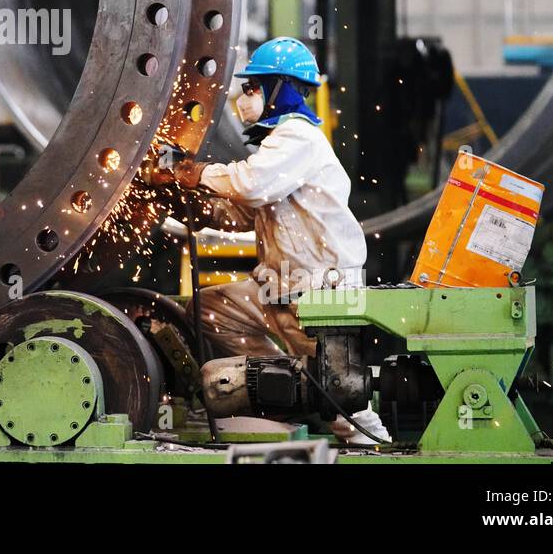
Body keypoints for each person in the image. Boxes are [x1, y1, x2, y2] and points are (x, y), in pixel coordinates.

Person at [160, 36, 388, 443]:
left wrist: (194, 173)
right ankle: (282, 391)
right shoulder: (278, 146)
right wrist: (185, 204)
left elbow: (250, 185)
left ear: (279, 89)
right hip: (277, 287)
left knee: (343, 403)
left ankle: (371, 446)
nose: (244, 98)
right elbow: (243, 213)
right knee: (211, 309)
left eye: (252, 88)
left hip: (319, 294)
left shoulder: (298, 139)